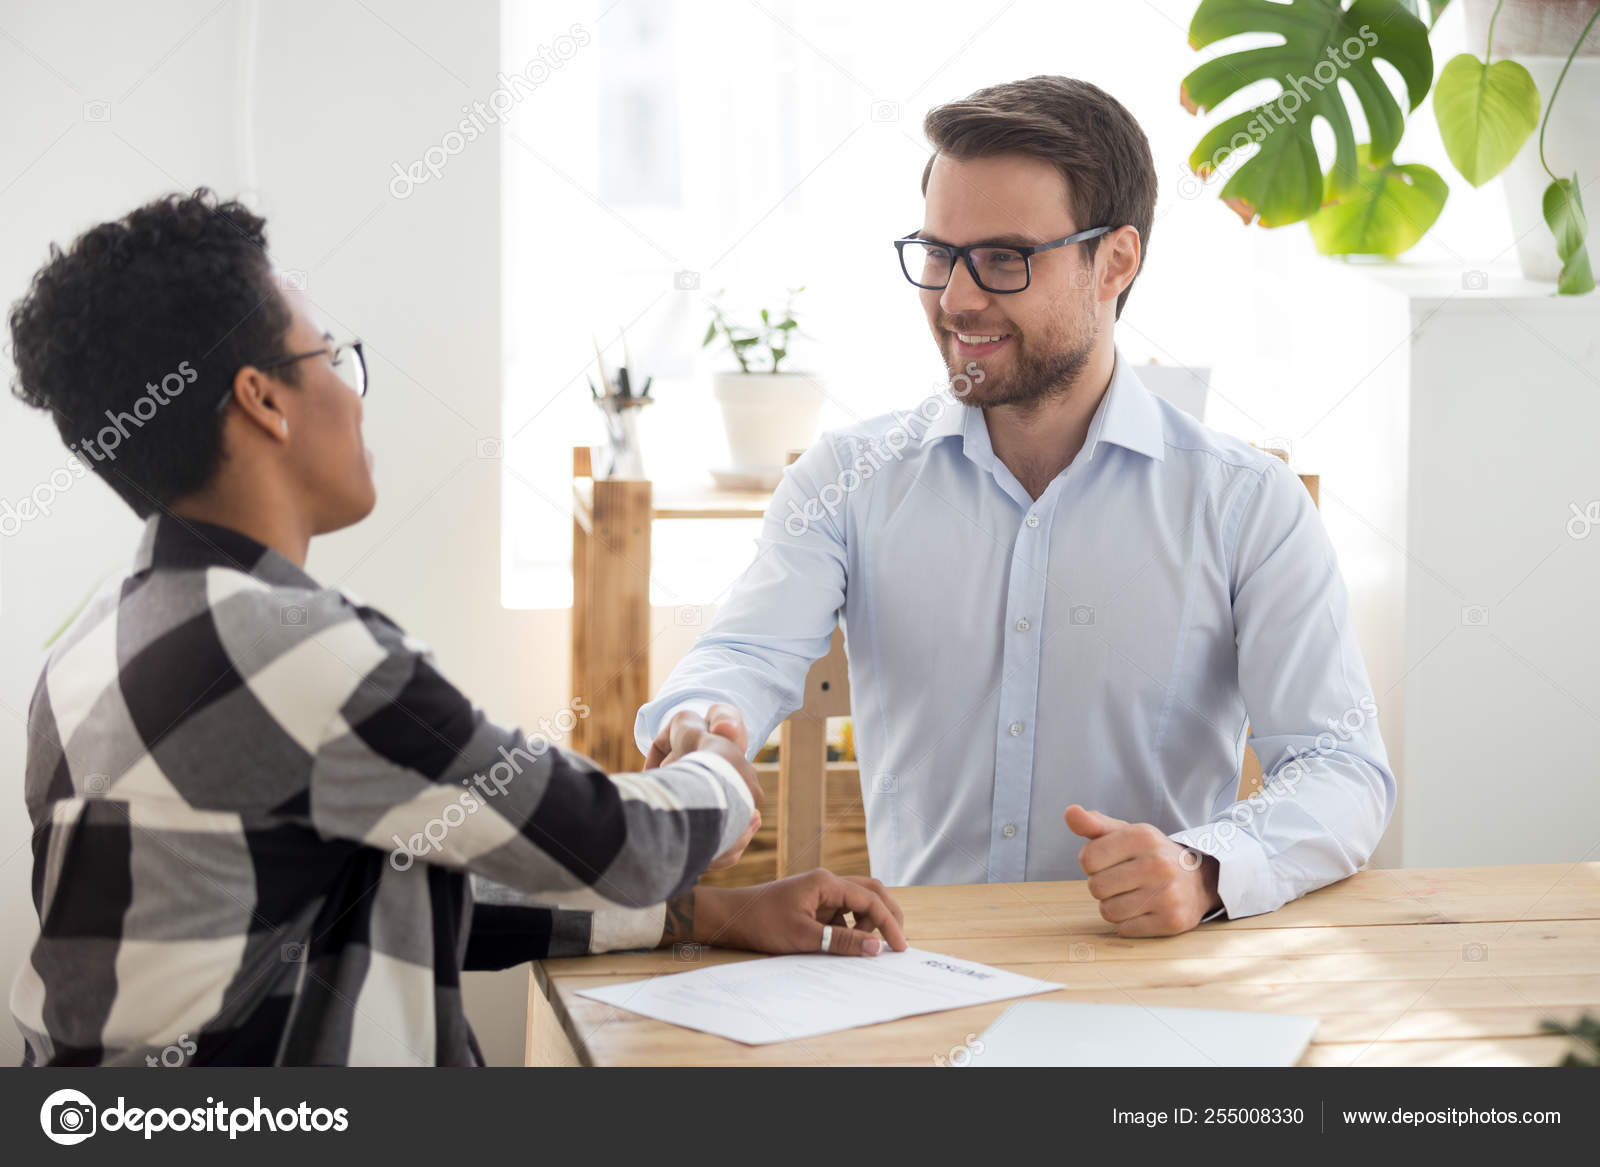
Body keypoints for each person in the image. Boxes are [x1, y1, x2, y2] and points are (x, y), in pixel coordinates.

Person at [6, 190, 905, 1067]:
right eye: (334, 358)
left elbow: (388, 879)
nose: (357, 399)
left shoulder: (85, 651)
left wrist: (709, 916)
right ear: (263, 401)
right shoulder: (294, 654)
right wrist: (721, 769)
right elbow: (614, 844)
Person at [638, 75, 1395, 938]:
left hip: (1151, 986)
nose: (957, 298)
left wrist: (1207, 867)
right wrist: (705, 725)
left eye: (1003, 259)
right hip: (914, 979)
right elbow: (741, 654)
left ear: (1114, 262)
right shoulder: (847, 479)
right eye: (937, 253)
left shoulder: (1245, 503)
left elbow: (1340, 768)